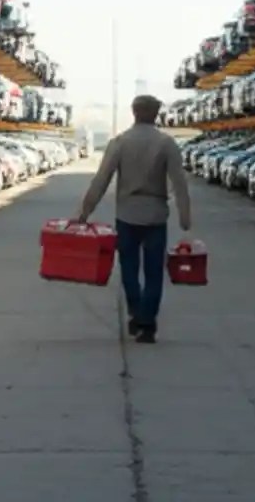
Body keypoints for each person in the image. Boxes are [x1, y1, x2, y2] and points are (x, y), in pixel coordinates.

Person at [76, 95, 192, 344]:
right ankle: (147, 323)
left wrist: (85, 212)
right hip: (155, 216)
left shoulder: (120, 142)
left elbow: (101, 179)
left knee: (129, 268)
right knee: (153, 272)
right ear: (156, 114)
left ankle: (136, 312)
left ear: (134, 112)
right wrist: (185, 215)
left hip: (127, 216)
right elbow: (179, 182)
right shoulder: (166, 143)